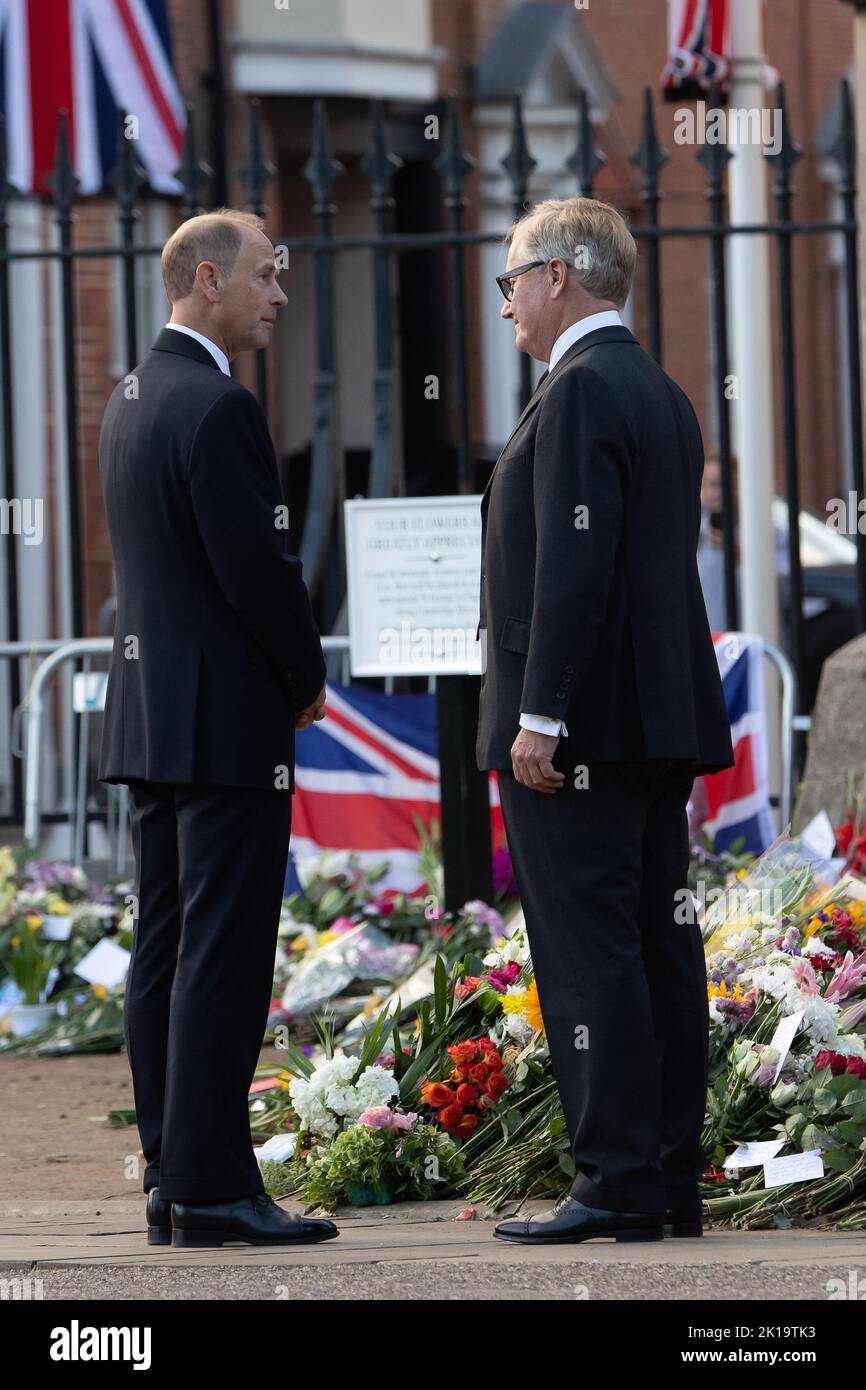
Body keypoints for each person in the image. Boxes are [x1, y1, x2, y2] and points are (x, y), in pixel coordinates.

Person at [476, 196, 735, 1244]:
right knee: (652, 940)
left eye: (509, 282)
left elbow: (573, 570)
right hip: (649, 720)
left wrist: (538, 714)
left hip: (580, 728)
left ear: (558, 275)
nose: (504, 307)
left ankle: (616, 1177)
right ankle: (664, 1176)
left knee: (589, 951)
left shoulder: (579, 389)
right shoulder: (659, 390)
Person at [97, 209, 338, 1249]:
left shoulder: (131, 395)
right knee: (222, 954)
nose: (279, 296)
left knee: (164, 945)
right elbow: (257, 573)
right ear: (208, 279)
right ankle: (209, 1184)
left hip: (153, 716)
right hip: (227, 721)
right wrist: (305, 673)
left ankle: (168, 1172)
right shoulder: (220, 405)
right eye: (266, 278)